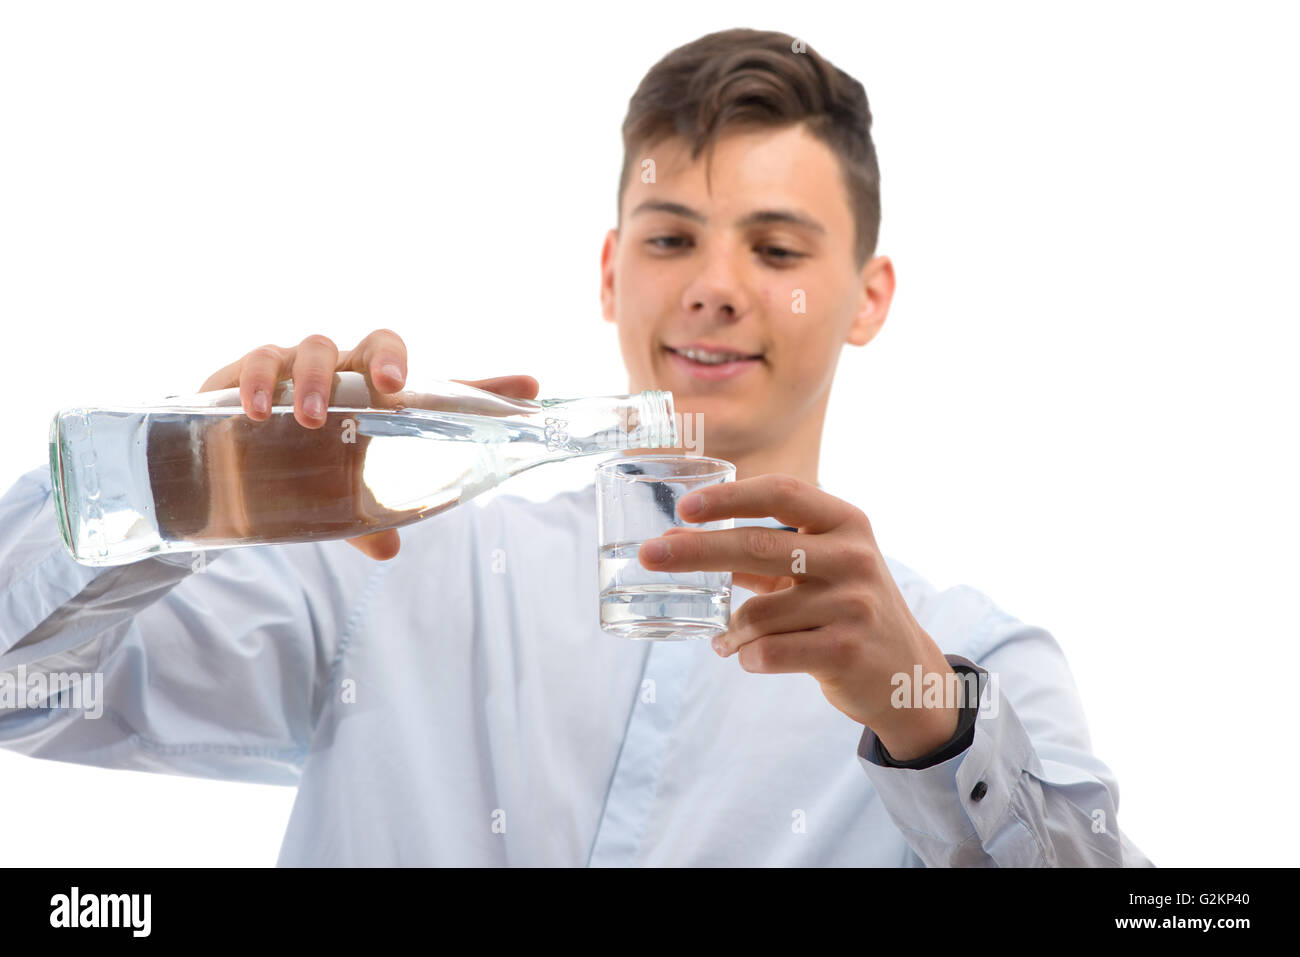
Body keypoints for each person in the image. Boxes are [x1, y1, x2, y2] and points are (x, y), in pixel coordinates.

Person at [0, 28, 1151, 866]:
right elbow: (15, 688)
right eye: (671, 237)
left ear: (868, 297)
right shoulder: (388, 563)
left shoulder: (969, 661)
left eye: (779, 249)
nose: (711, 288)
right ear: (611, 273)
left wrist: (930, 723)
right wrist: (176, 486)